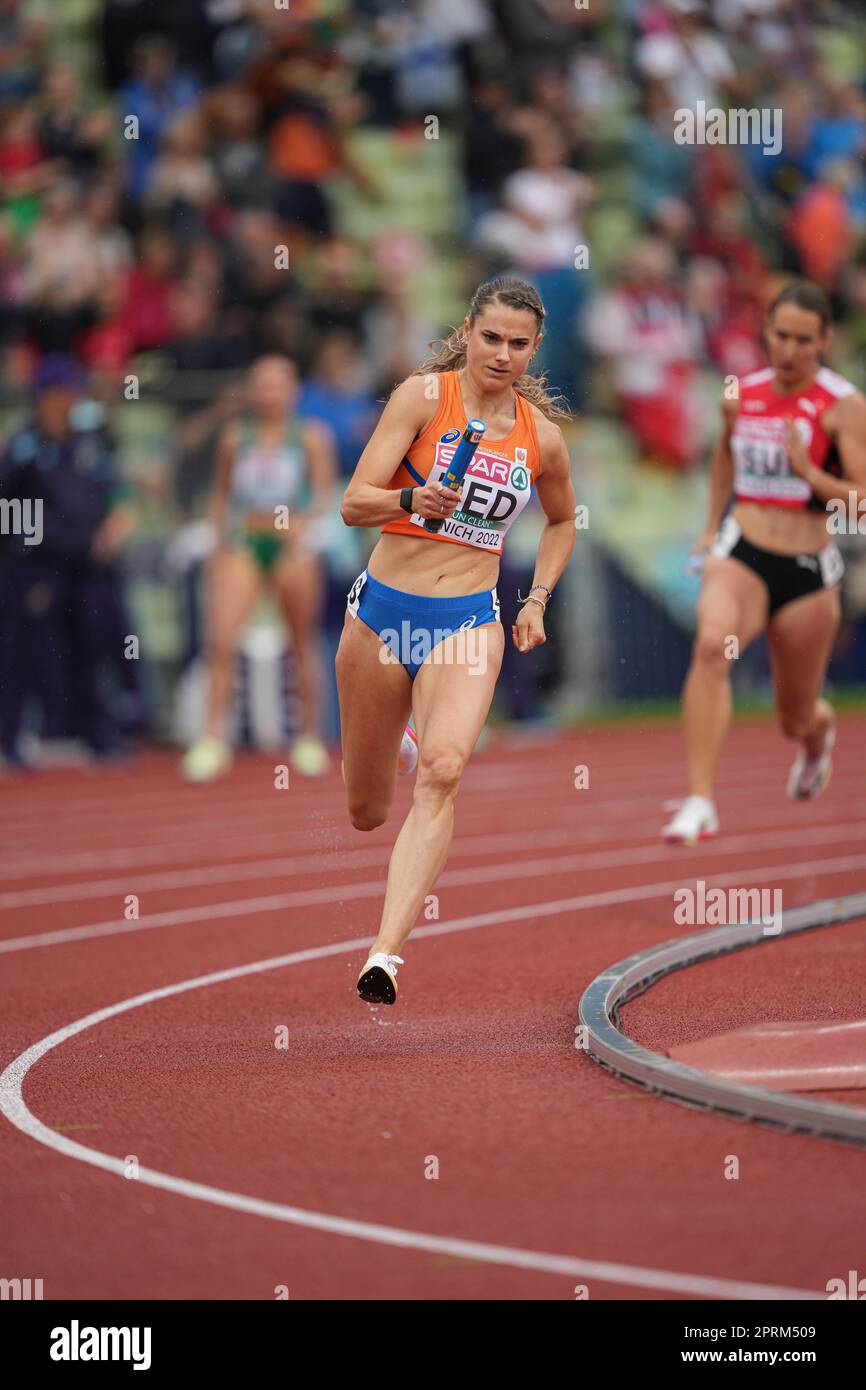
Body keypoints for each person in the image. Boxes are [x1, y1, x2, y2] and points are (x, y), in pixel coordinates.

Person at [337, 277, 577, 1005]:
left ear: (535, 349)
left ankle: (385, 953)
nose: (502, 354)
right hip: (382, 615)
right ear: (468, 332)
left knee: (444, 772)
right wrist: (412, 499)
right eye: (491, 337)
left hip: (469, 621)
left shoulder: (544, 438)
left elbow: (563, 521)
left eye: (518, 343)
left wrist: (535, 599)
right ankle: (396, 740)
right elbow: (354, 504)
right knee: (367, 810)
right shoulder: (422, 397)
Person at [664, 280, 866, 844]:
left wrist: (810, 474)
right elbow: (723, 456)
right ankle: (700, 799)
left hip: (805, 573)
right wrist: (710, 528)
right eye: (781, 335)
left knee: (794, 718)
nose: (791, 349)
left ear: (824, 340)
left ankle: (818, 736)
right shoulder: (739, 394)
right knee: (711, 646)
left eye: (805, 339)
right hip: (743, 552)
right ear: (766, 333)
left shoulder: (844, 407)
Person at [182, 355, 336, 781]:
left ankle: (307, 737)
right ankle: (212, 739)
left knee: (302, 640)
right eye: (262, 385)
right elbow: (221, 492)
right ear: (252, 391)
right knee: (222, 642)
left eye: (278, 385)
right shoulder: (236, 437)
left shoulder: (309, 437)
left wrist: (301, 529)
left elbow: (324, 492)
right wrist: (217, 543)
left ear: (293, 391)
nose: (270, 393)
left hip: (289, 546)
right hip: (246, 541)